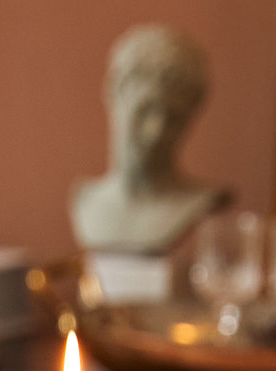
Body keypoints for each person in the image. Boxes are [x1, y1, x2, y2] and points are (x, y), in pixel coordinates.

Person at [70, 25, 226, 259]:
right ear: (114, 93)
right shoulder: (85, 201)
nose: (156, 132)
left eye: (174, 119)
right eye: (144, 110)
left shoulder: (198, 205)